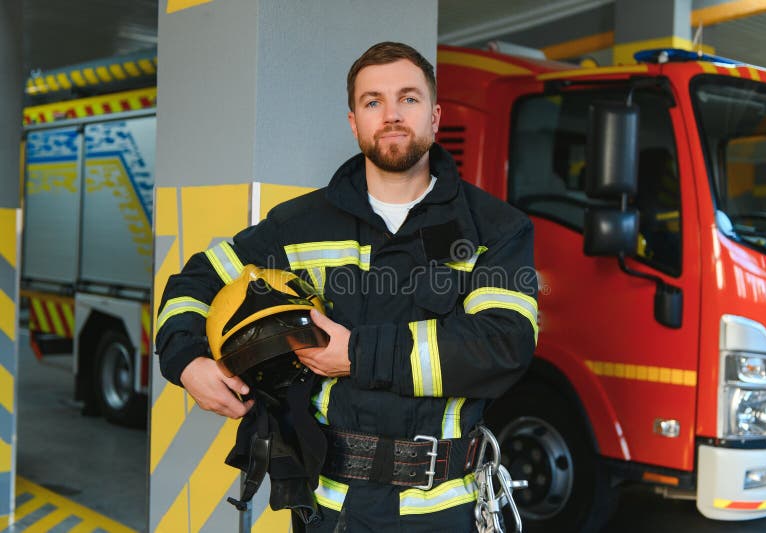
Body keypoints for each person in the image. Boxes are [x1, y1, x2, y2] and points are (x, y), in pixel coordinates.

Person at [156, 41, 538, 532]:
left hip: (444, 511)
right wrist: (186, 362)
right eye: (373, 101)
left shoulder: (495, 229)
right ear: (354, 122)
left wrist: (356, 353)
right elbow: (193, 283)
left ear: (436, 116)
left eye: (409, 98)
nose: (392, 114)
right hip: (330, 509)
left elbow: (504, 346)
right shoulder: (297, 225)